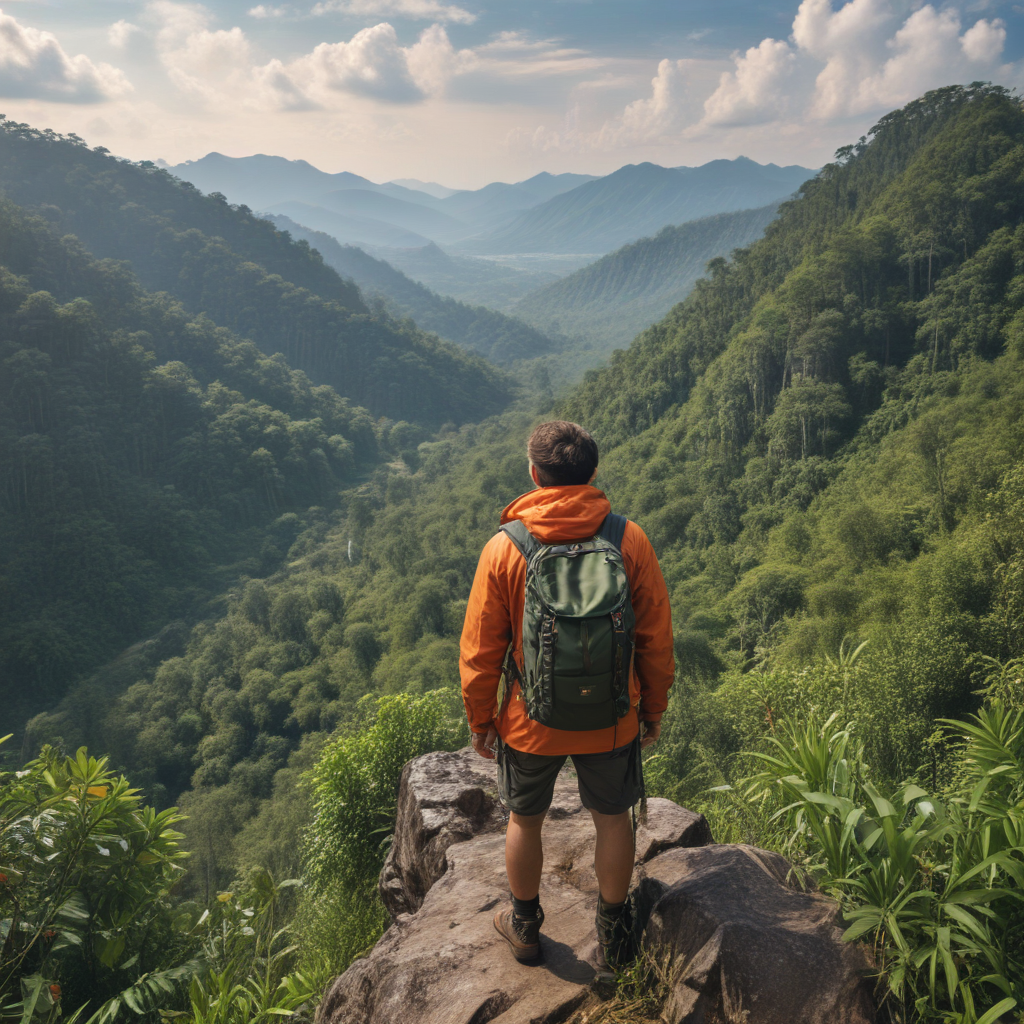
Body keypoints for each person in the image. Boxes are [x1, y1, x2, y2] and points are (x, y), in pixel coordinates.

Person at [460, 420, 674, 971]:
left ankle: (526, 928)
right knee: (612, 818)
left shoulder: (505, 548)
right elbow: (654, 637)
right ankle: (614, 936)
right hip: (611, 717)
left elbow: (483, 650)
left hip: (531, 721)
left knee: (525, 819)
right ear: (593, 473)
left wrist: (481, 719)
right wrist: (652, 709)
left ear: (534, 475)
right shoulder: (629, 538)